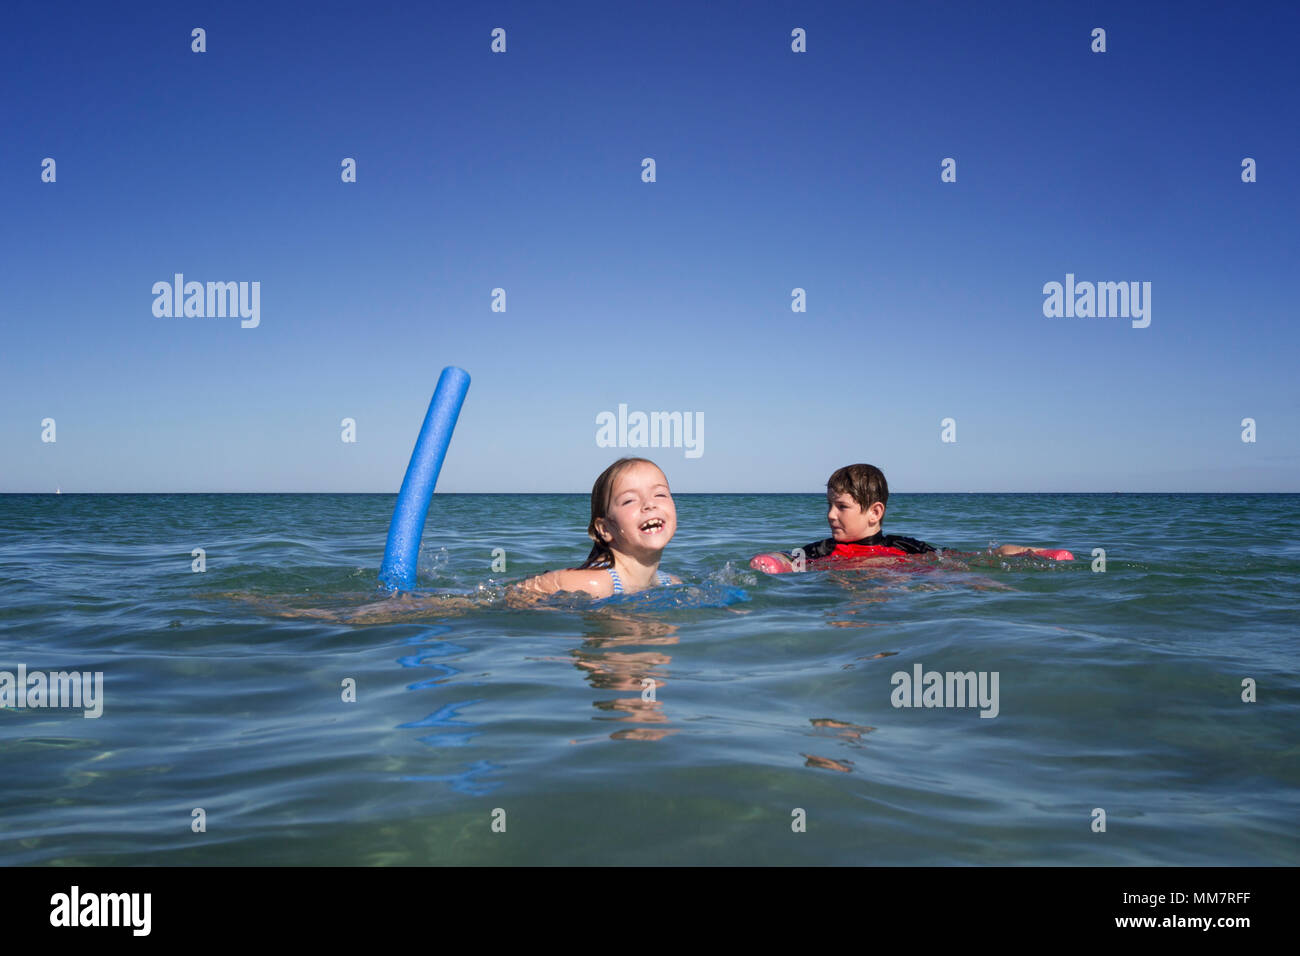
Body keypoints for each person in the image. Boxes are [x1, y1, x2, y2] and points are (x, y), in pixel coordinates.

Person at [750, 463, 1072, 573]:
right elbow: (788, 558)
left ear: (875, 512)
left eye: (842, 507)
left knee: (976, 574)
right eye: (829, 505)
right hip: (865, 595)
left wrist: (1025, 554)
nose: (831, 515)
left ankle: (1035, 552)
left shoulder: (903, 546)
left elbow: (971, 558)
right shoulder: (823, 550)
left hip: (906, 586)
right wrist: (772, 559)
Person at [513, 457, 679, 599]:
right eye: (629, 500)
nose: (649, 504)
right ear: (605, 529)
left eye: (660, 494)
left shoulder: (671, 583)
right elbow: (516, 595)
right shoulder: (596, 585)